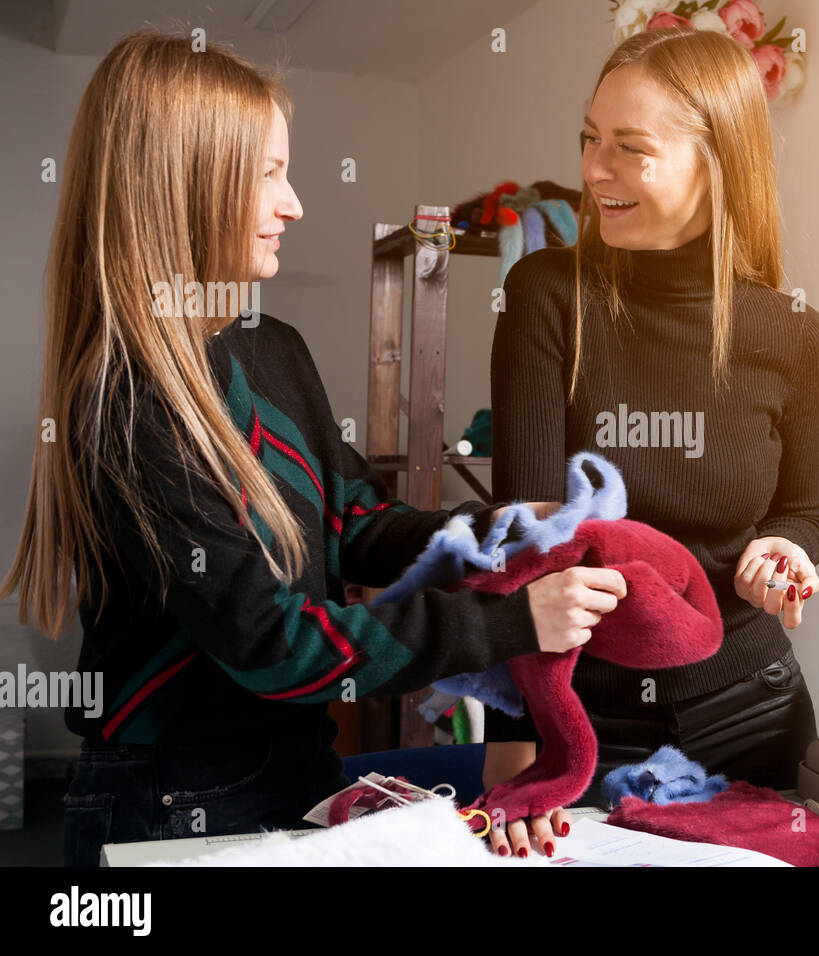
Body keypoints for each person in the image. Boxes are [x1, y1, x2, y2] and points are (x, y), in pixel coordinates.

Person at [0, 29, 625, 865]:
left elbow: (354, 517)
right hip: (170, 797)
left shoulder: (273, 342)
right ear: (184, 185)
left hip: (293, 766)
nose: (294, 204)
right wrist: (508, 620)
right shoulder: (133, 401)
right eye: (267, 176)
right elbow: (273, 645)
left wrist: (498, 527)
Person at [485, 27, 819, 804]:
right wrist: (513, 734)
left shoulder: (791, 332)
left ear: (717, 162)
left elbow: (798, 510)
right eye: (590, 139)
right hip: (583, 716)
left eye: (630, 147)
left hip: (753, 706)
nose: (593, 171)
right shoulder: (549, 296)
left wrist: (786, 551)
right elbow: (523, 541)